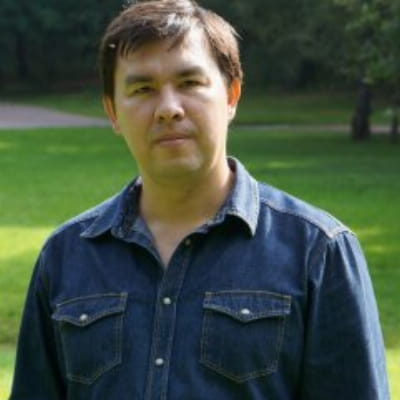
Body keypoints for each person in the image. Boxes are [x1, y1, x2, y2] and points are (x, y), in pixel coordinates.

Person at [10, 0, 390, 399]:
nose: (168, 109)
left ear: (232, 95)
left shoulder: (318, 251)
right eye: (142, 89)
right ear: (113, 112)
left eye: (189, 82)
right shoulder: (65, 256)